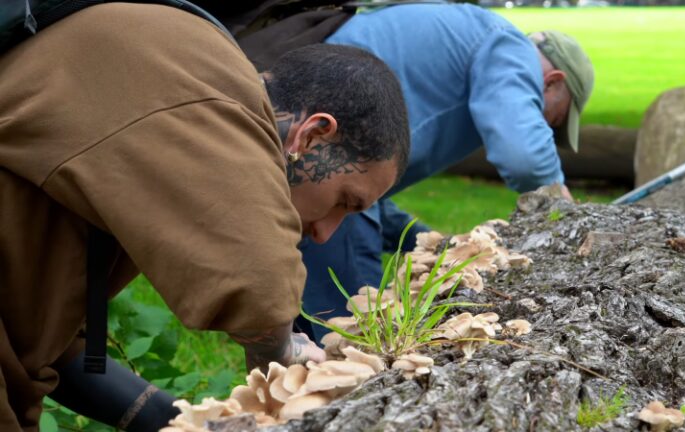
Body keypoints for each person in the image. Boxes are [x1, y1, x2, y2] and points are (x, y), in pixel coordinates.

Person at [0, 3, 409, 431]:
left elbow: (50, 342)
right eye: (345, 201)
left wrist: (182, 421)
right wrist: (284, 354)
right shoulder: (199, 83)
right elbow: (257, 285)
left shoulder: (180, 114)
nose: (326, 233)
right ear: (312, 134)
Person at [297, 3, 595, 339]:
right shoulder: (509, 47)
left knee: (304, 337)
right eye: (551, 121)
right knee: (354, 334)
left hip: (313, 172)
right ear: (552, 82)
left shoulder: (476, 44)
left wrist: (430, 243)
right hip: (330, 176)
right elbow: (522, 155)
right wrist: (563, 208)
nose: (542, 126)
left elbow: (372, 196)